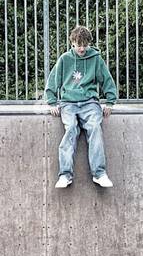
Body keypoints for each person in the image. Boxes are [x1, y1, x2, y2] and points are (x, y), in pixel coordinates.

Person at [45, 26, 117, 189]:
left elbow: (107, 80)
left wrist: (110, 101)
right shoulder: (64, 59)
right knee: (71, 129)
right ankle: (65, 174)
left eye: (85, 45)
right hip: (68, 103)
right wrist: (51, 101)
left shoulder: (96, 59)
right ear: (72, 43)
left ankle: (99, 173)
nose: (82, 49)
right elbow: (52, 81)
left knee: (94, 128)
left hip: (89, 102)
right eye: (79, 45)